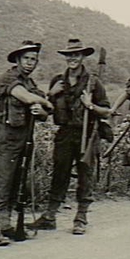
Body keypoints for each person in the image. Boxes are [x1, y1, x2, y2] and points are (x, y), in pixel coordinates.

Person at [28, 39, 111, 235]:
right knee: (60, 173)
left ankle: (81, 217)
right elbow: (48, 109)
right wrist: (50, 94)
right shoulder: (57, 81)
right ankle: (50, 217)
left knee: (85, 174)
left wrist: (90, 105)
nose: (72, 58)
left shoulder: (93, 82)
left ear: (83, 57)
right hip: (64, 133)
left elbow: (106, 111)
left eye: (76, 54)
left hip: (87, 134)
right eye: (69, 55)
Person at [0, 41, 52, 246]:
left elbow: (43, 110)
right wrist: (45, 104)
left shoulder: (30, 83)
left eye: (34, 59)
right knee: (3, 180)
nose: (30, 63)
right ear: (17, 59)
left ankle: (5, 224)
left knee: (16, 181)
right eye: (27, 58)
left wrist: (43, 111)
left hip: (22, 139)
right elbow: (25, 97)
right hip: (4, 137)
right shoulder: (9, 78)